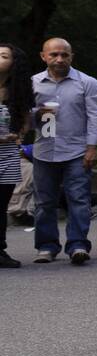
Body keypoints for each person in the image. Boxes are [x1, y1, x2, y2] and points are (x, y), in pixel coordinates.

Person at [30, 38, 97, 265]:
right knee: (43, 202)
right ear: (43, 56)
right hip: (44, 149)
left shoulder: (87, 83)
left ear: (71, 56)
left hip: (76, 151)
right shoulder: (32, 83)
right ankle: (46, 246)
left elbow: (96, 116)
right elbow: (21, 116)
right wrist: (37, 113)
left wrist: (92, 148)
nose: (59, 59)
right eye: (54, 55)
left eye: (64, 55)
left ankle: (77, 245)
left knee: (79, 200)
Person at [0, 42, 33, 268]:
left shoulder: (17, 92)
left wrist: (18, 134)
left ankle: (0, 251)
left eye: (3, 56)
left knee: (1, 206)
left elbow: (24, 124)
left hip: (7, 156)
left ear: (14, 64)